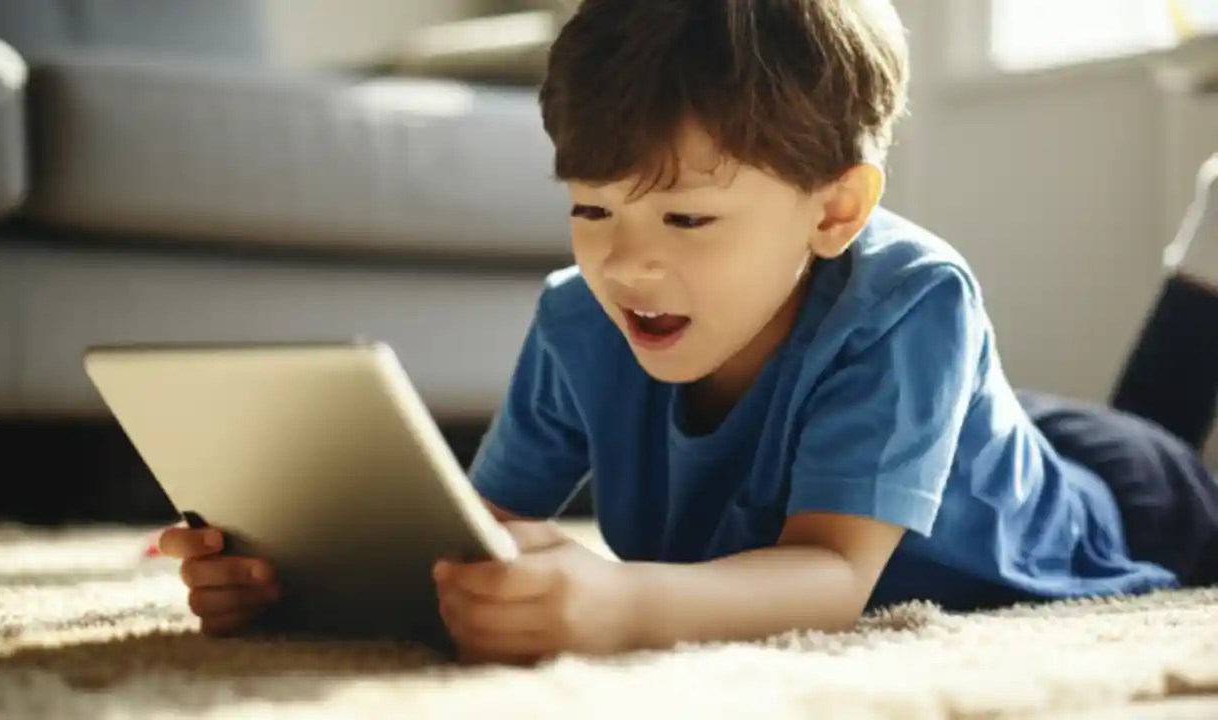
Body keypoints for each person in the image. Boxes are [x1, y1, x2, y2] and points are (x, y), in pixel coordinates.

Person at [156, 0, 1218, 663]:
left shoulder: (914, 298)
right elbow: (476, 531)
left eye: (687, 219)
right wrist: (293, 577)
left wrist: (620, 606)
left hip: (1112, 501)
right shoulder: (576, 318)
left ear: (835, 210)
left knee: (1163, 441)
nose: (625, 263)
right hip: (938, 431)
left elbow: (830, 575)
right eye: (591, 208)